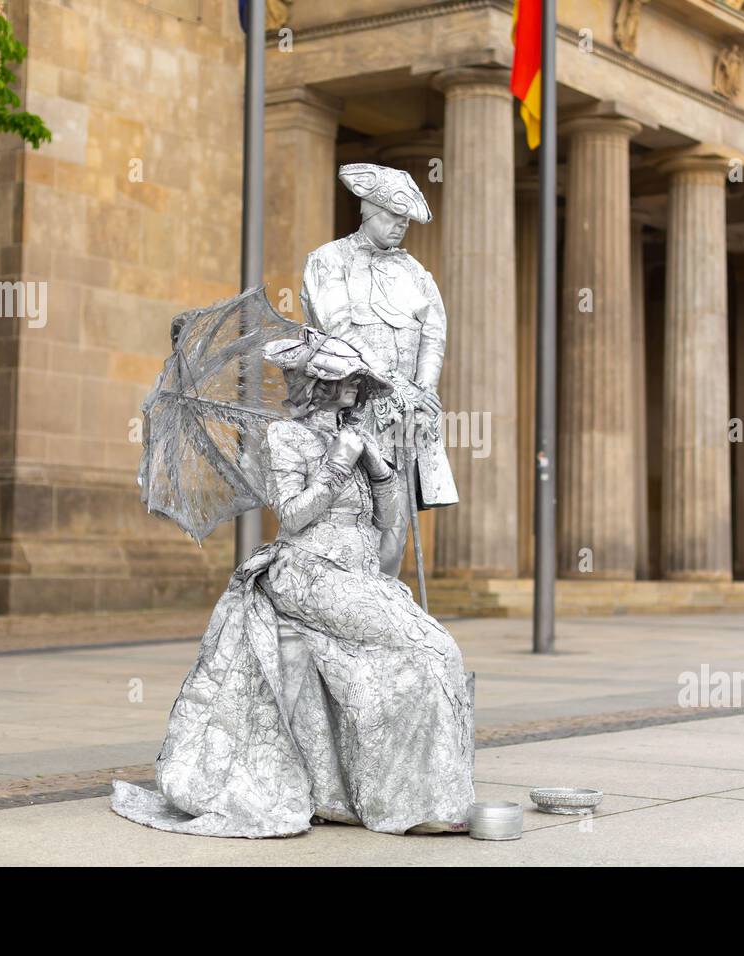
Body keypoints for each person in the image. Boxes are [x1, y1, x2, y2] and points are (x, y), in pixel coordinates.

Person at [111, 330, 475, 838]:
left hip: (361, 575)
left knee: (436, 650)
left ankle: (400, 792)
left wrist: (377, 466)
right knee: (430, 649)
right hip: (307, 573)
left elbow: (390, 519)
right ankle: (410, 801)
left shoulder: (356, 434)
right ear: (315, 383)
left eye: (357, 378)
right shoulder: (285, 437)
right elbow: (293, 517)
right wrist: (337, 463)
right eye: (343, 377)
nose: (354, 385)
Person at [300, 162, 458, 576]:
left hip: (401, 419)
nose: (400, 226)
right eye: (392, 216)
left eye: (404, 220)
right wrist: (393, 381)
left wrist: (423, 389)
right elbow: (338, 328)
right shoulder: (329, 260)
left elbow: (433, 335)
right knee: (344, 514)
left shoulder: (416, 274)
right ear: (368, 210)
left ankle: (383, 607)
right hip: (348, 408)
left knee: (394, 526)